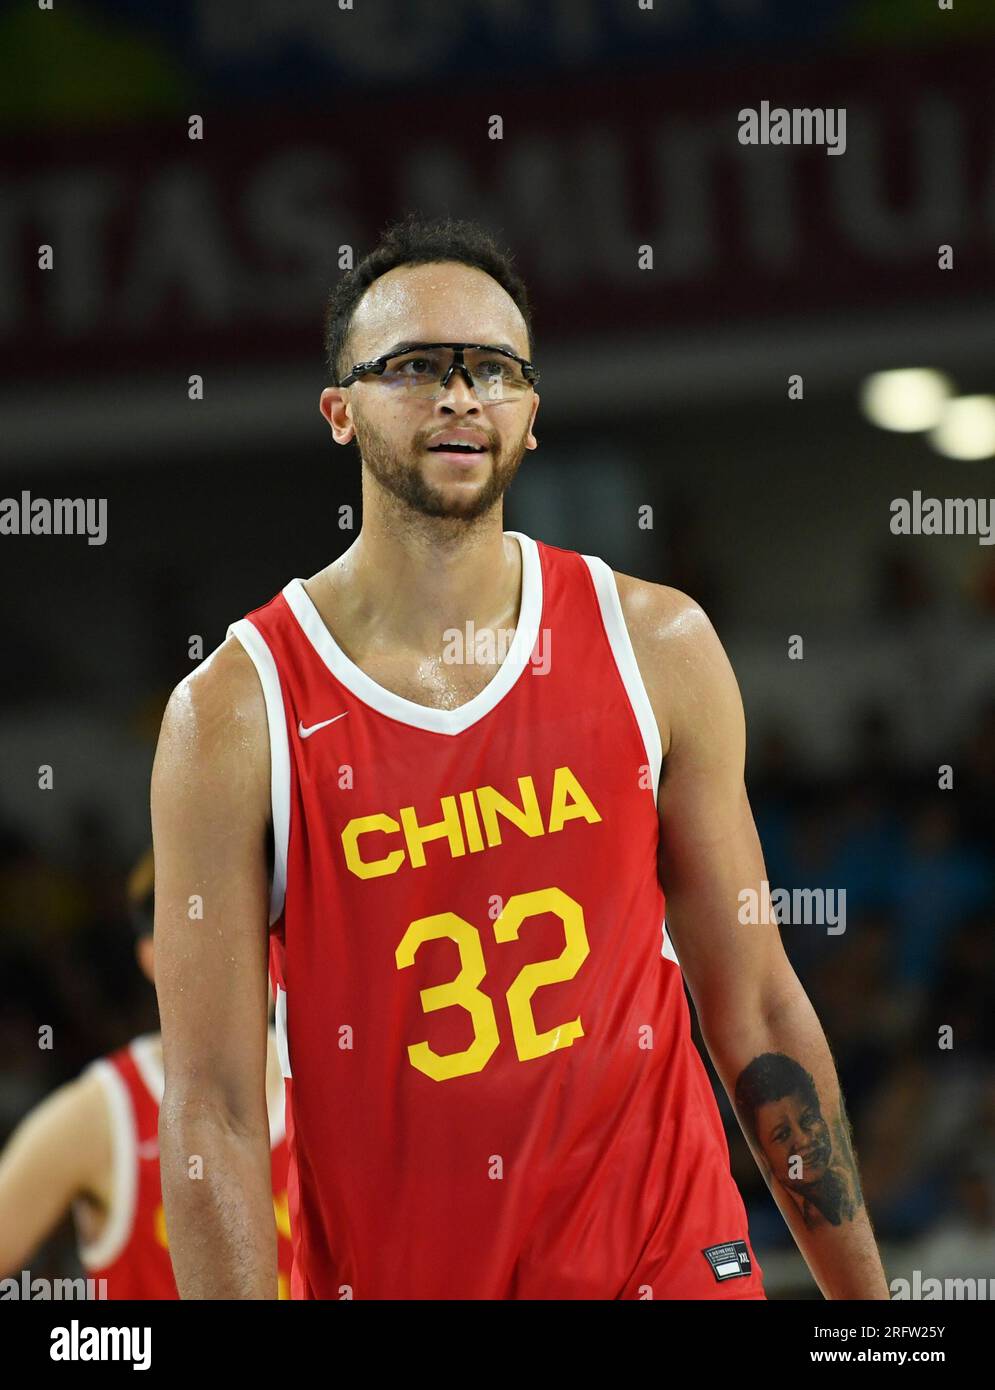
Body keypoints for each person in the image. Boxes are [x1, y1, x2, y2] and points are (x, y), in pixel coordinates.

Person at [151, 213, 888, 1299]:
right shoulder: (234, 712)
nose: (457, 394)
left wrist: (866, 1313)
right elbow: (212, 1102)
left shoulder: (655, 645)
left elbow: (760, 1006)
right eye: (412, 366)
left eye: (489, 367)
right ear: (339, 410)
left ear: (530, 414)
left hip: (666, 1262)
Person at [0, 848, 293, 1299]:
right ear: (154, 957)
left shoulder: (331, 1093)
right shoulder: (100, 1115)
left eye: (256, 928)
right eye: (213, 933)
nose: (242, 953)